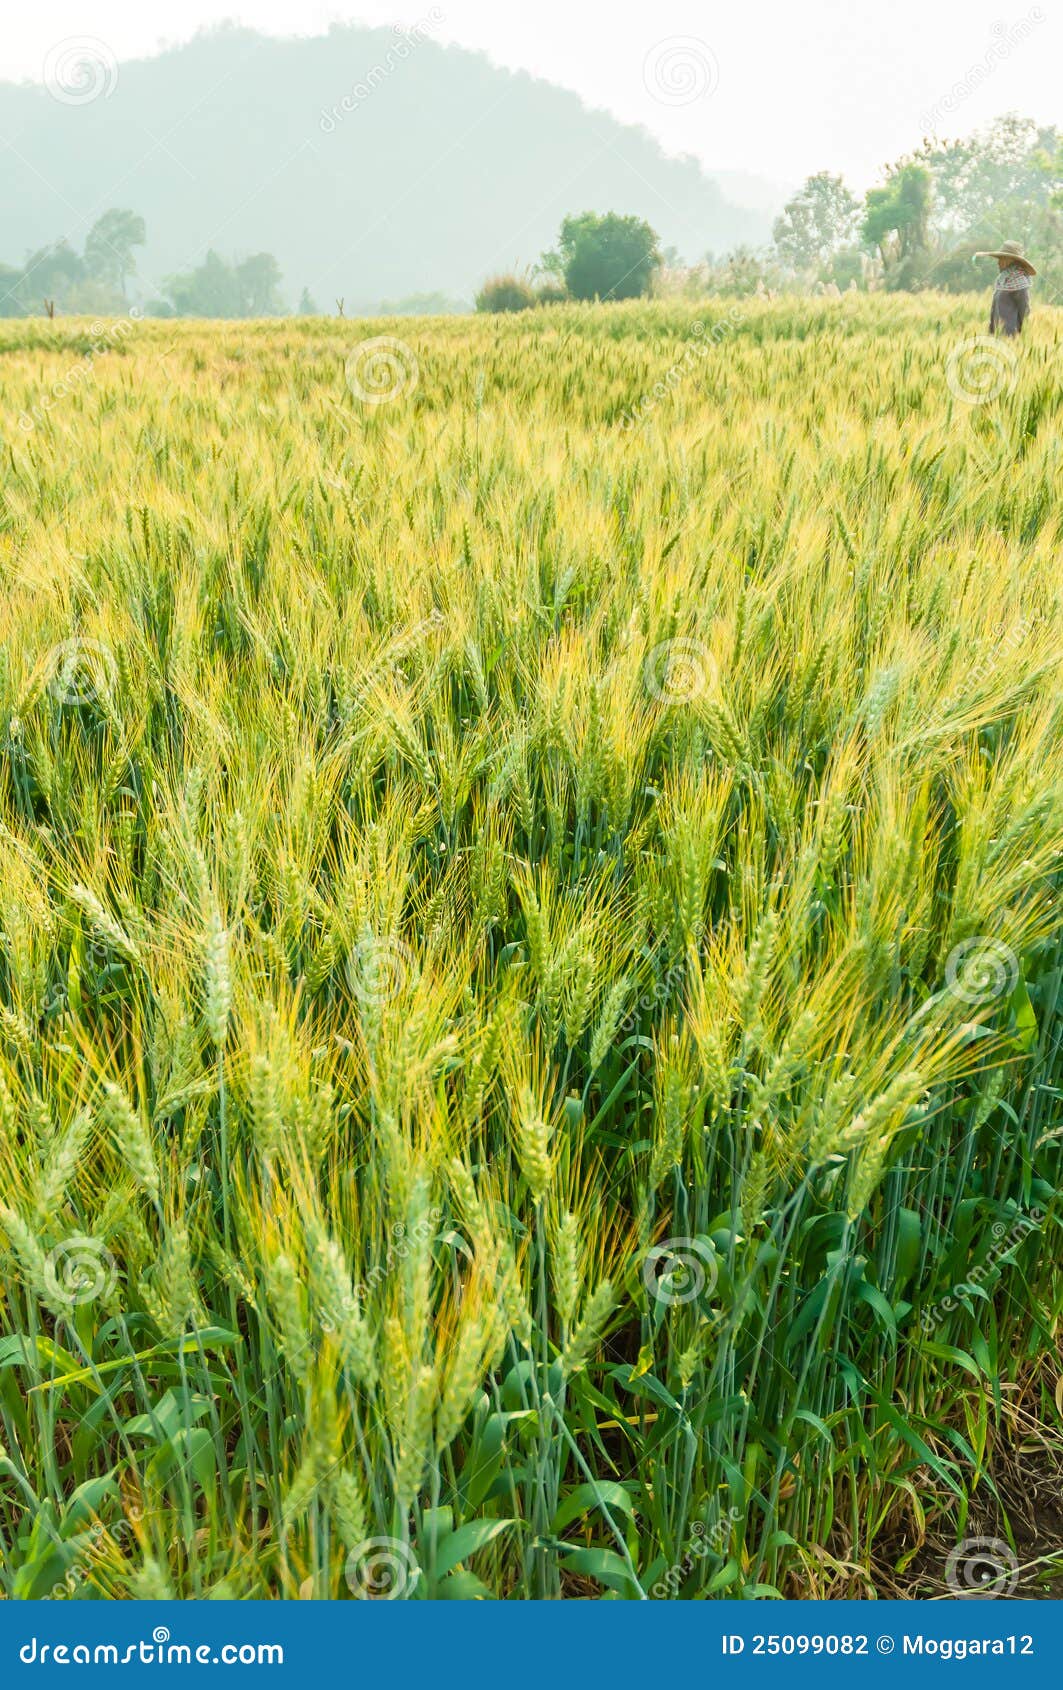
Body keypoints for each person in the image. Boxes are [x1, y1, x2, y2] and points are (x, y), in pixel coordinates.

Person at [976, 240, 1036, 337]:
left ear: (1010, 260)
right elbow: (994, 310)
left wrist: (1021, 335)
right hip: (997, 334)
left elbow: (1024, 311)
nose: (998, 263)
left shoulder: (1020, 283)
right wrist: (991, 331)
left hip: (1010, 336)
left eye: (1001, 259)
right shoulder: (1003, 280)